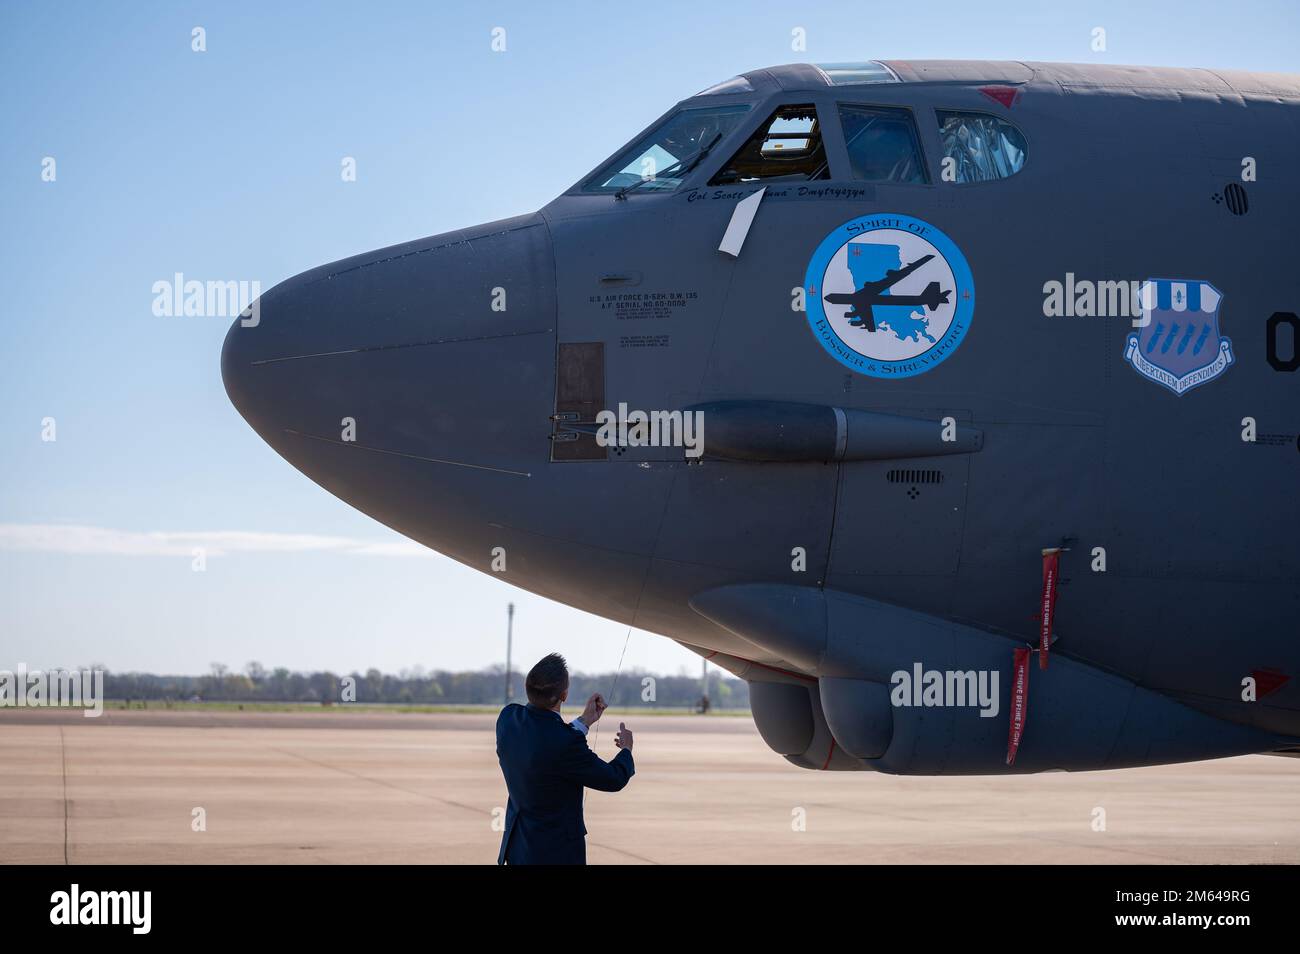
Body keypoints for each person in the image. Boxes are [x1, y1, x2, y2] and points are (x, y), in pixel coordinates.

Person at [496, 653, 634, 865]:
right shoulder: (565, 744)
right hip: (556, 854)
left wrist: (584, 722)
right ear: (564, 695)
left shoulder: (508, 718)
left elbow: (545, 741)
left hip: (519, 851)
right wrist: (626, 750)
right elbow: (613, 779)